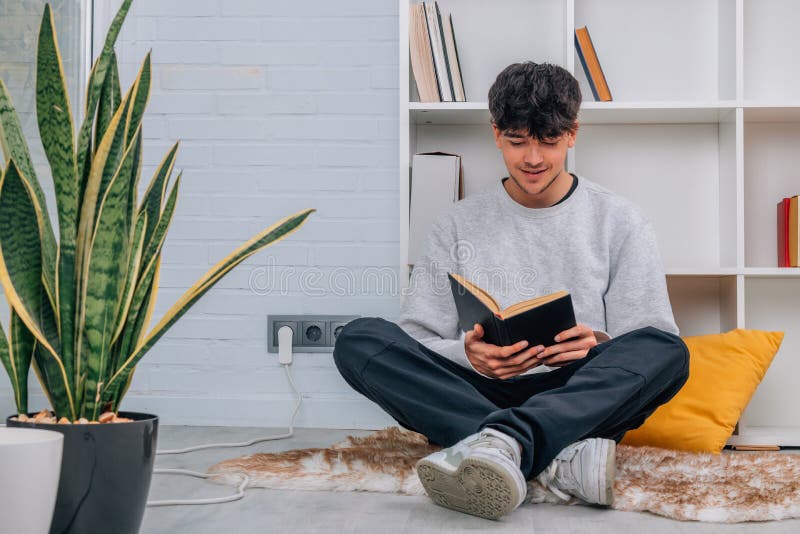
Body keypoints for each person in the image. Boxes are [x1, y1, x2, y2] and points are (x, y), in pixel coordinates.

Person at [333, 62, 689, 520]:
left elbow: (650, 337)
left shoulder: (620, 221)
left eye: (549, 141)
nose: (533, 158)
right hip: (479, 390)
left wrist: (596, 344)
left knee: (668, 351)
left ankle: (501, 443)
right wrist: (470, 355)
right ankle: (556, 460)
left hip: (578, 395)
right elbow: (417, 338)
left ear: (573, 134)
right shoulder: (455, 223)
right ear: (496, 133)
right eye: (518, 141)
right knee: (359, 339)